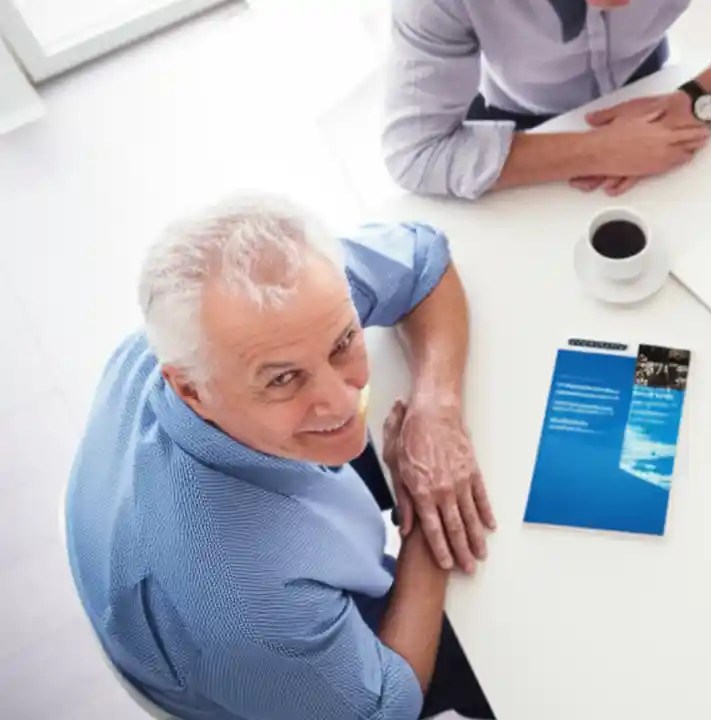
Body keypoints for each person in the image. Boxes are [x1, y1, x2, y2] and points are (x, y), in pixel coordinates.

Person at [65, 195, 495, 719]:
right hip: (261, 660)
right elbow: (387, 710)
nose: (343, 401)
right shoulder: (247, 608)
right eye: (283, 378)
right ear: (192, 392)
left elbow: (422, 257)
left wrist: (436, 407)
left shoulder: (272, 316)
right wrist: (424, 524)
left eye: (343, 344)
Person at [382, 0, 711, 200]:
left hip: (648, 80)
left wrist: (700, 97)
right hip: (514, 119)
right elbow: (415, 154)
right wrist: (597, 150)